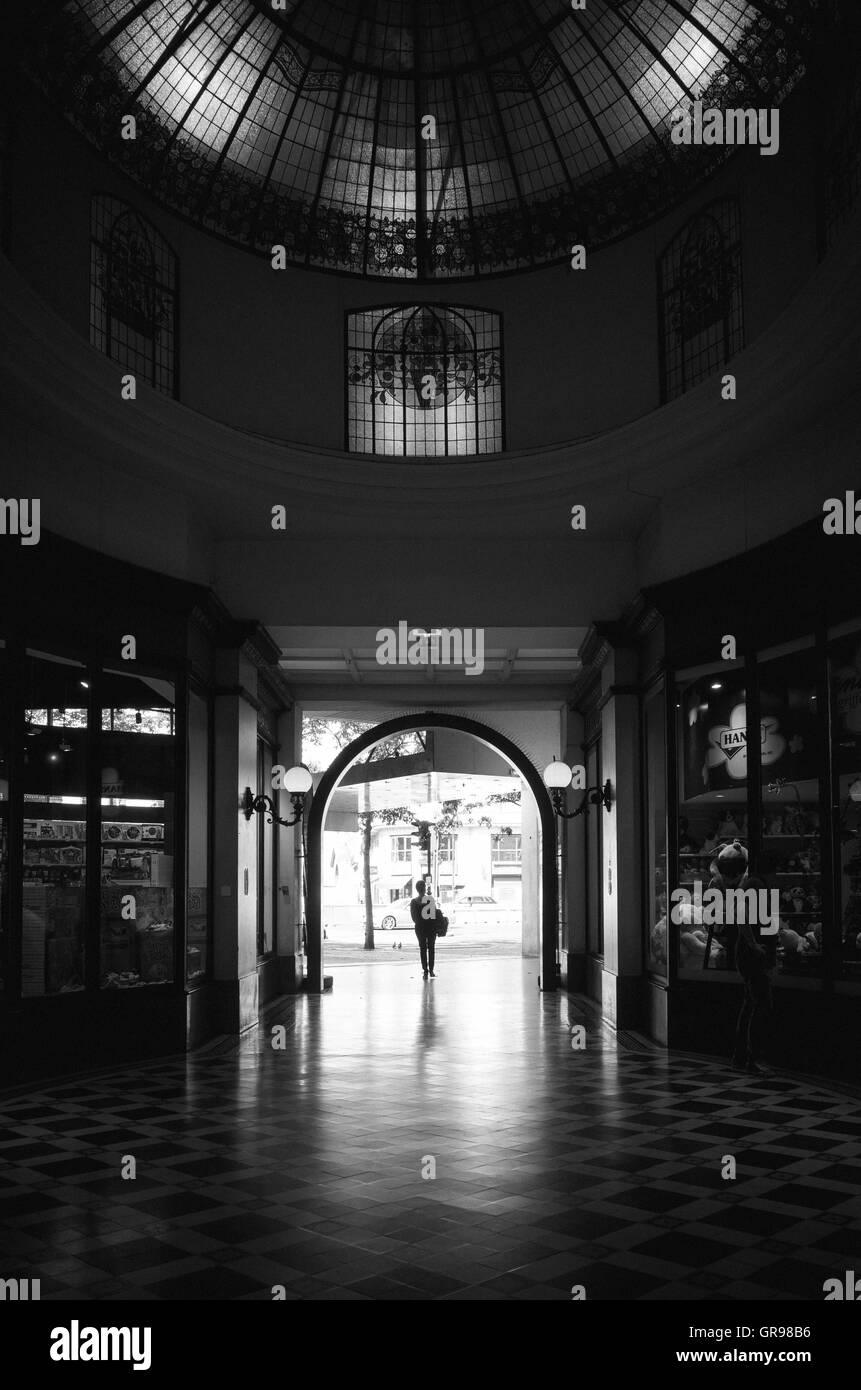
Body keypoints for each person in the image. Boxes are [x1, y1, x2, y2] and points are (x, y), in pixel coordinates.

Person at [706, 840, 775, 1075]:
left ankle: (740, 1055)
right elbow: (743, 918)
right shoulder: (755, 884)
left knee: (750, 1003)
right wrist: (755, 945)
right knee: (760, 1004)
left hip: (746, 952)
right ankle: (754, 1058)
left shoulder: (750, 884)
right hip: (751, 954)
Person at [410, 878, 437, 979]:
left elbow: (413, 917)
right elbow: (433, 915)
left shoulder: (413, 902)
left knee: (423, 949)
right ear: (424, 888)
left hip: (420, 928)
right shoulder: (430, 900)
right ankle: (431, 970)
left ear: (417, 889)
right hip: (431, 928)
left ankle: (425, 970)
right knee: (431, 949)